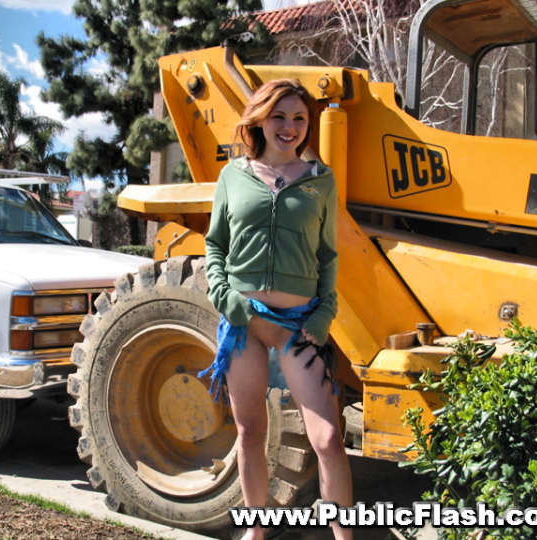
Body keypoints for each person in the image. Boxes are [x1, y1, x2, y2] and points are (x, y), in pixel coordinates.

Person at [201, 79, 353, 540]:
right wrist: (228, 301)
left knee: (327, 439)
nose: (289, 127)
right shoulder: (233, 176)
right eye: (280, 116)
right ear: (260, 119)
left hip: (297, 326)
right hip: (244, 322)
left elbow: (328, 256)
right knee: (250, 432)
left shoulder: (319, 180)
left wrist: (323, 317)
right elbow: (214, 247)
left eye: (299, 118)